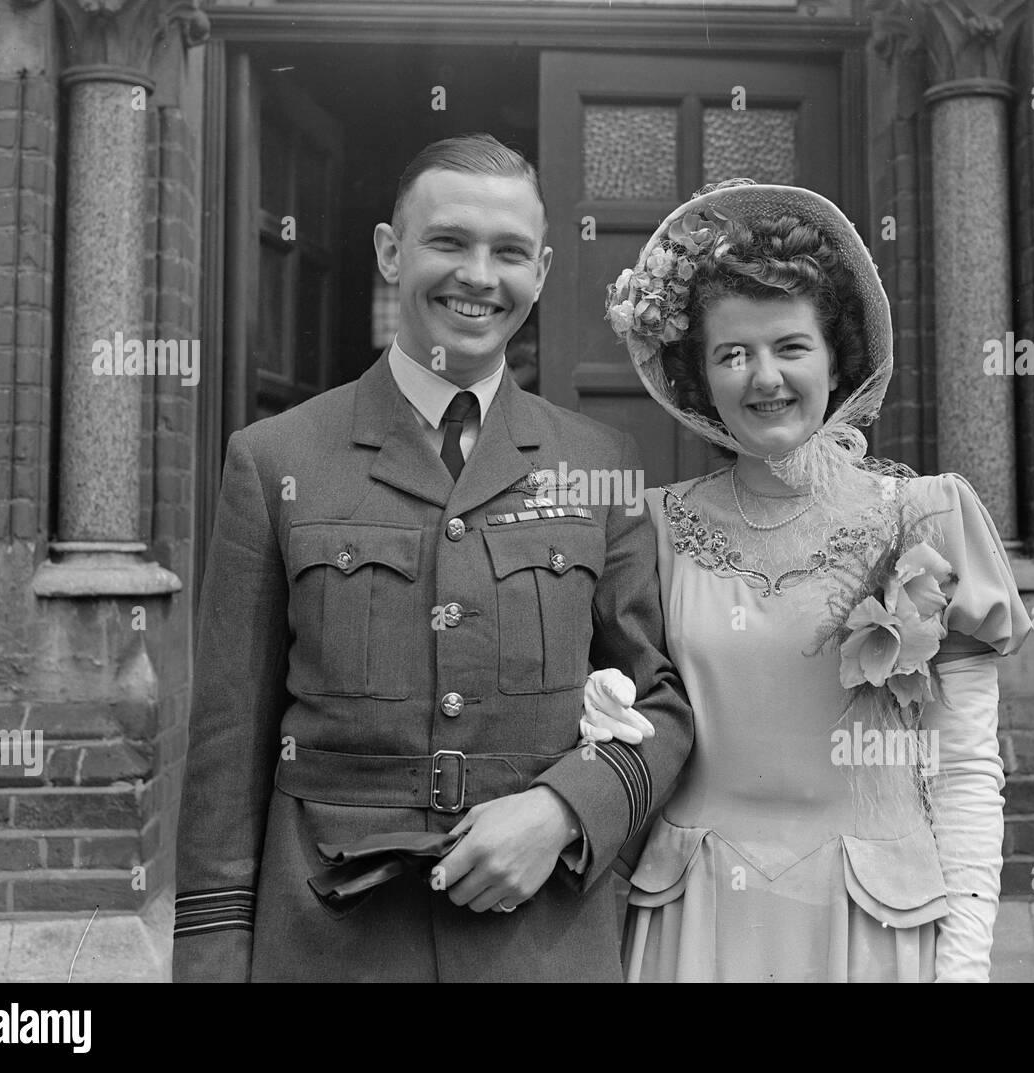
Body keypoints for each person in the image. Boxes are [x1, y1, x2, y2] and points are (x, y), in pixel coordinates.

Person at [173, 133, 693, 982]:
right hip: (331, 942)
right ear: (390, 251)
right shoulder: (276, 459)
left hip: (541, 941)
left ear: (544, 271)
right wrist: (211, 957)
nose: (479, 276)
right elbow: (229, 741)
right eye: (448, 242)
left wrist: (566, 808)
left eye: (510, 253)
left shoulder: (598, 462)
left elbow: (662, 703)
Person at [583, 180, 1032, 982]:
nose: (765, 379)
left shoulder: (925, 518)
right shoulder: (651, 529)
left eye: (791, 347)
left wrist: (964, 968)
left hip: (873, 925)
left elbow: (965, 767)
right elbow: (636, 724)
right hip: (694, 923)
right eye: (732, 354)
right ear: (700, 378)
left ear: (836, 357)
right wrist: (596, 711)